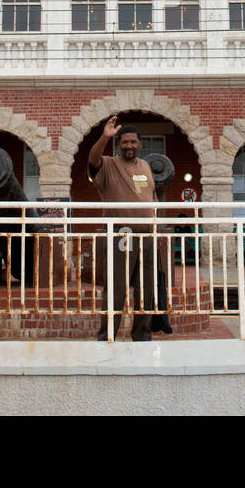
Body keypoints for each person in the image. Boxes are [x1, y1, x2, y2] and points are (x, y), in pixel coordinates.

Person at [88, 115, 166, 341]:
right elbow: (93, 159)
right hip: (121, 234)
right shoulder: (108, 165)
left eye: (133, 142)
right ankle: (107, 337)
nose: (129, 146)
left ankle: (142, 336)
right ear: (118, 144)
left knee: (147, 290)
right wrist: (104, 137)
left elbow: (151, 198)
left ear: (140, 144)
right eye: (124, 142)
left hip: (147, 235)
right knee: (116, 290)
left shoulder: (146, 166)